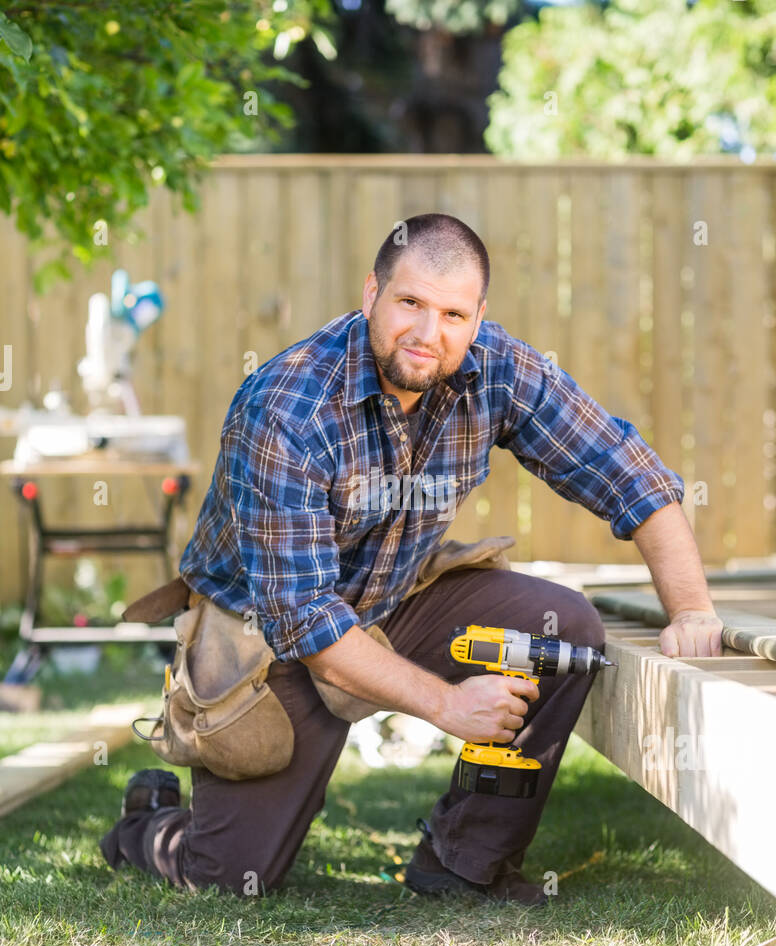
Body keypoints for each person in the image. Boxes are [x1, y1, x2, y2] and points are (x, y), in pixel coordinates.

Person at [99, 212, 723, 905]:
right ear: (371, 294)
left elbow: (625, 472)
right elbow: (307, 622)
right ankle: (146, 823)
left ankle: (465, 861)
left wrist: (691, 608)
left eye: (454, 313)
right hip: (268, 636)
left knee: (562, 626)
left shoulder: (500, 370)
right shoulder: (286, 408)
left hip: (394, 601)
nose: (429, 334)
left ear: (478, 317)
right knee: (230, 875)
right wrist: (450, 705)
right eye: (410, 304)